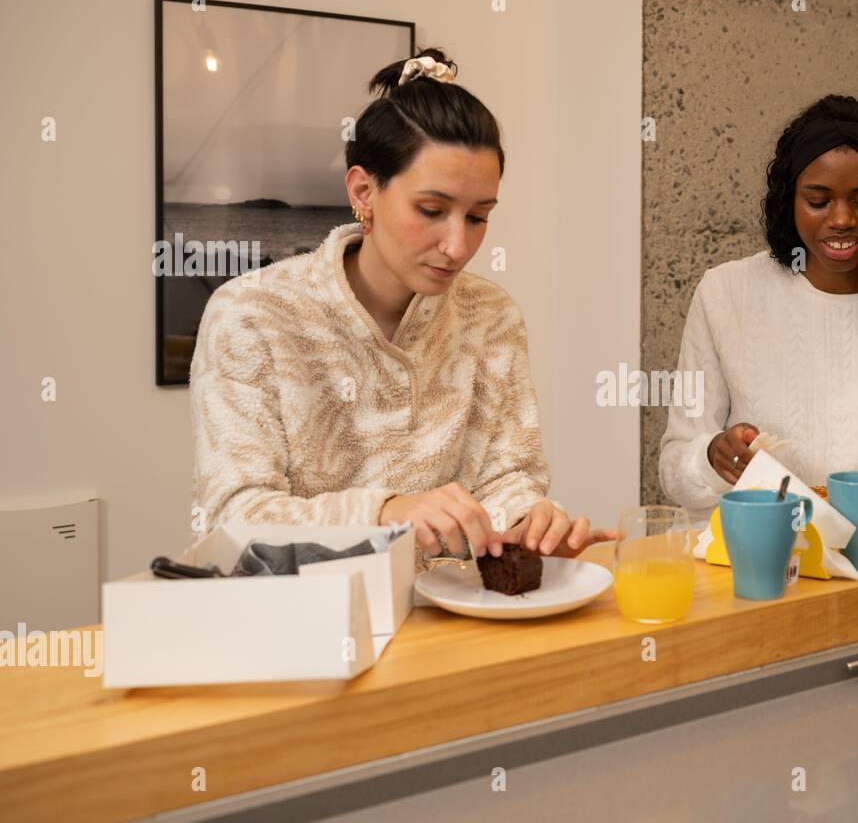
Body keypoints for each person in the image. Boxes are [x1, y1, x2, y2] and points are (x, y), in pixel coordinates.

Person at [190, 48, 614, 567]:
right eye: (432, 210)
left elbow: (509, 478)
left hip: (454, 624)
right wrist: (388, 511)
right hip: (301, 628)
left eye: (479, 217)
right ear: (364, 191)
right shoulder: (251, 314)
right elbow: (235, 516)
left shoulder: (491, 316)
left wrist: (531, 524)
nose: (458, 246)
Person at [659, 93, 858, 523]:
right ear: (790, 199)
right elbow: (675, 465)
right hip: (756, 552)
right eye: (818, 200)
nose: (841, 219)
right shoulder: (726, 294)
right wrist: (712, 456)